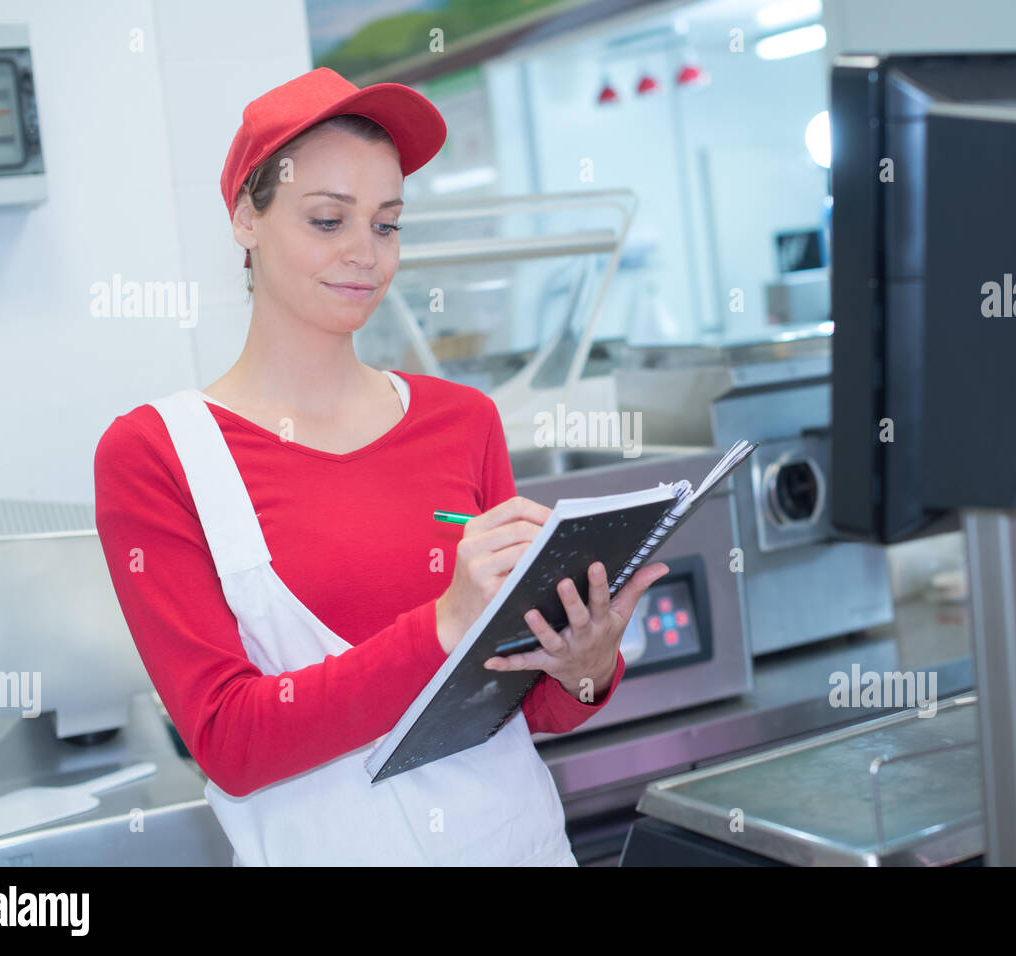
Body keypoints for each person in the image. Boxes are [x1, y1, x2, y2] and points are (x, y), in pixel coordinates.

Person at [92, 68, 669, 865]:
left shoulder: (462, 419)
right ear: (244, 220)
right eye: (328, 220)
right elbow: (227, 739)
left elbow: (519, 700)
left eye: (388, 224)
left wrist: (583, 664)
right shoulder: (157, 454)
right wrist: (442, 624)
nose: (365, 255)